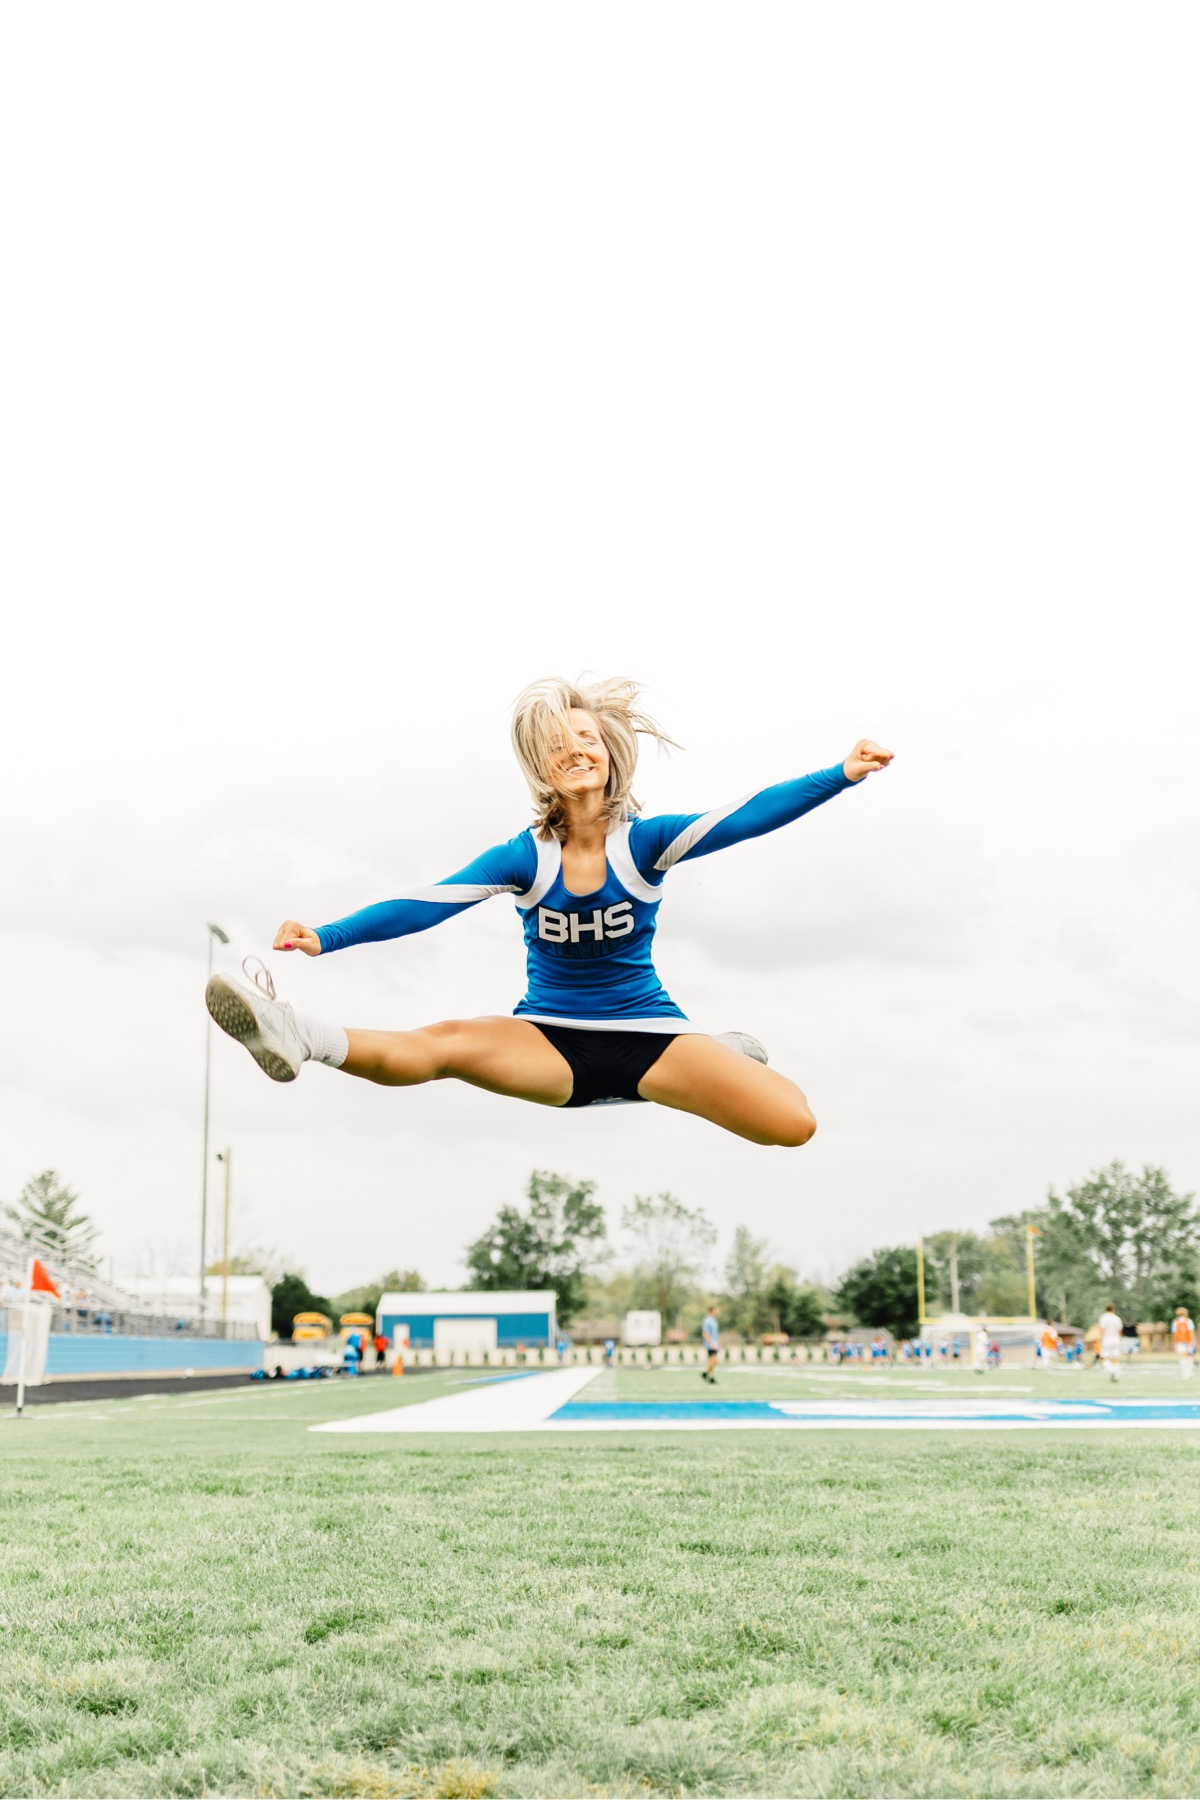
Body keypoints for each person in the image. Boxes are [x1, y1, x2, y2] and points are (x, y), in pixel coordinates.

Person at [205, 677, 891, 1142]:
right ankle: (295, 1033)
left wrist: (841, 774)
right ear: (543, 768)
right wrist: (327, 936)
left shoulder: (647, 843)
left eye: (588, 739)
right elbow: (426, 904)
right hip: (549, 1038)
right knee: (443, 1042)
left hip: (652, 1038)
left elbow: (746, 816)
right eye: (558, 745)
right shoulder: (523, 857)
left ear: (611, 755)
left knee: (795, 1123)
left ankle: (713, 1059)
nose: (576, 750)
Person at [1098, 1303, 1123, 1382]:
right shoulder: (1117, 1318)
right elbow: (1120, 1330)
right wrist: (1119, 1339)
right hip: (1116, 1339)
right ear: (1113, 1309)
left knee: (1103, 1357)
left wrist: (1100, 1338)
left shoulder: (1104, 1317)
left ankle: (1111, 1370)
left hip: (1107, 1339)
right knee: (1115, 1358)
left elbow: (1102, 1329)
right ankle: (1117, 1375)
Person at [1173, 1307, 1195, 1380]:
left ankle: (1185, 1374)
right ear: (1185, 1313)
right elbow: (1191, 1332)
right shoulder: (1189, 1321)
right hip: (1188, 1342)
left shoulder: (1175, 1322)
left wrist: (1175, 1343)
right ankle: (1190, 1373)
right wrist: (1193, 1342)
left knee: (1182, 1358)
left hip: (1180, 1343)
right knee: (1190, 1357)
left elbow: (1175, 1334)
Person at [701, 1305, 720, 1383]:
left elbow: (716, 1333)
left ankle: (711, 1377)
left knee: (712, 1361)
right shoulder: (707, 1321)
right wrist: (710, 1343)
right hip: (710, 1343)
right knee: (715, 1360)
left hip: (715, 1343)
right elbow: (705, 1333)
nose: (717, 1312)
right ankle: (705, 1373)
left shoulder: (714, 1321)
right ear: (711, 1311)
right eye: (715, 1310)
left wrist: (718, 1342)